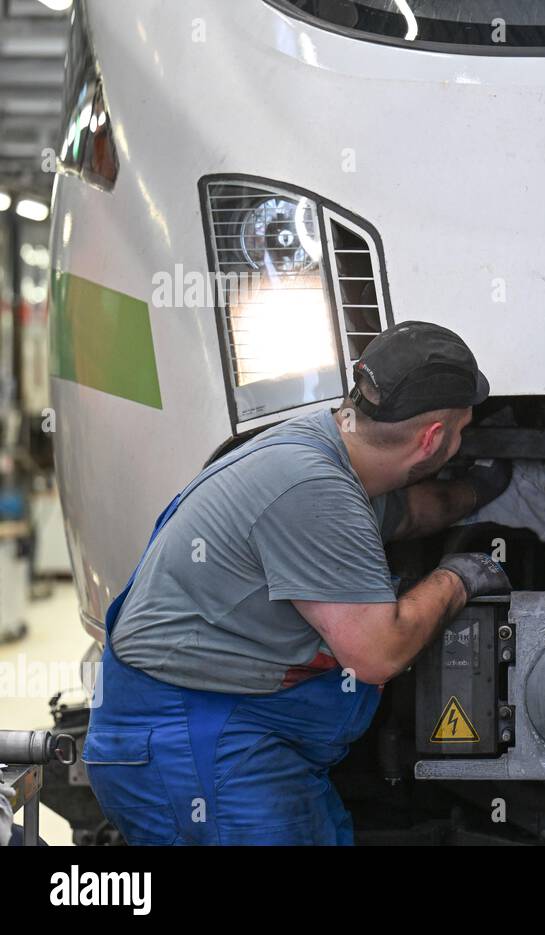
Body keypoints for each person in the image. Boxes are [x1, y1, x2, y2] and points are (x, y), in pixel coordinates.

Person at [84, 321, 511, 845]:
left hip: (240, 740)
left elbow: (408, 513)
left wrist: (488, 492)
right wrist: (459, 577)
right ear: (432, 440)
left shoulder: (324, 446)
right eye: (462, 431)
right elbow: (378, 652)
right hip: (197, 748)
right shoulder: (313, 488)